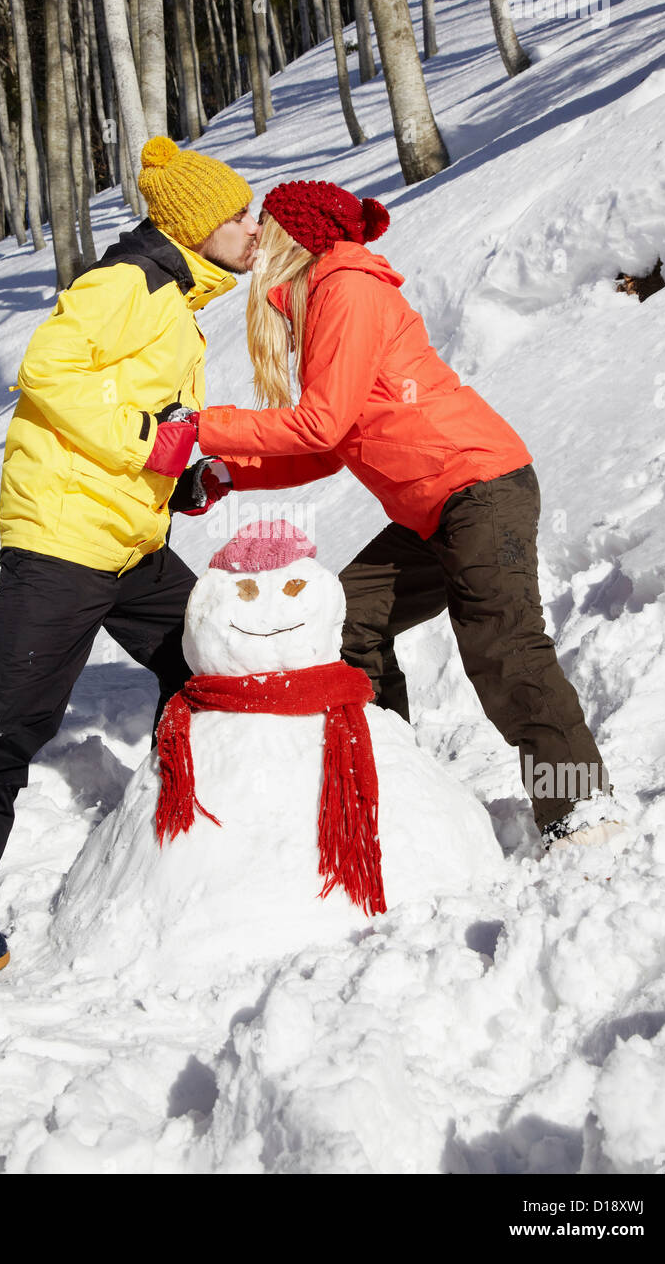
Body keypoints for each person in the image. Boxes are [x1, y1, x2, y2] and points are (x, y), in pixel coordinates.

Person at [0, 136, 260, 981]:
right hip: (63, 543)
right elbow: (49, 370)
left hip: (128, 543)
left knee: (213, 654)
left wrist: (182, 477)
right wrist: (147, 443)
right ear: (197, 224)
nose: (253, 226)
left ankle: (183, 817)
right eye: (239, 214)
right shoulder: (127, 283)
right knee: (6, 719)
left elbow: (148, 414)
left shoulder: (175, 300)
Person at [195, 180, 614, 851]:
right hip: (436, 506)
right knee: (349, 619)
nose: (254, 240)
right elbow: (329, 445)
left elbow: (319, 423)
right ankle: (400, 781)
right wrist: (225, 470)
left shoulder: (347, 290)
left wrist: (202, 427)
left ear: (292, 237)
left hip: (478, 486)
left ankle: (582, 810)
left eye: (264, 227)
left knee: (504, 644)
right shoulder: (323, 297)